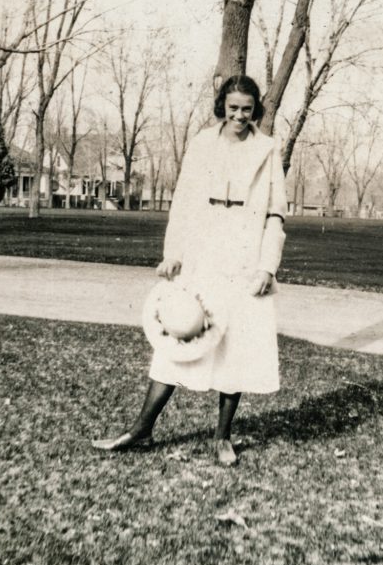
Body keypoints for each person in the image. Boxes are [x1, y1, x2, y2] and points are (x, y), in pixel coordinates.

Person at [92, 75, 287, 466]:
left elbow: (275, 213)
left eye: (247, 109)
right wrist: (174, 253)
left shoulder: (268, 149)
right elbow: (182, 204)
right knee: (179, 335)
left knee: (235, 345)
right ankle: (142, 429)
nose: (239, 116)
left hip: (246, 256)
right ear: (222, 106)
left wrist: (268, 266)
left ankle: (222, 437)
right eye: (233, 108)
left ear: (255, 110)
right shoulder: (201, 144)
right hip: (203, 251)